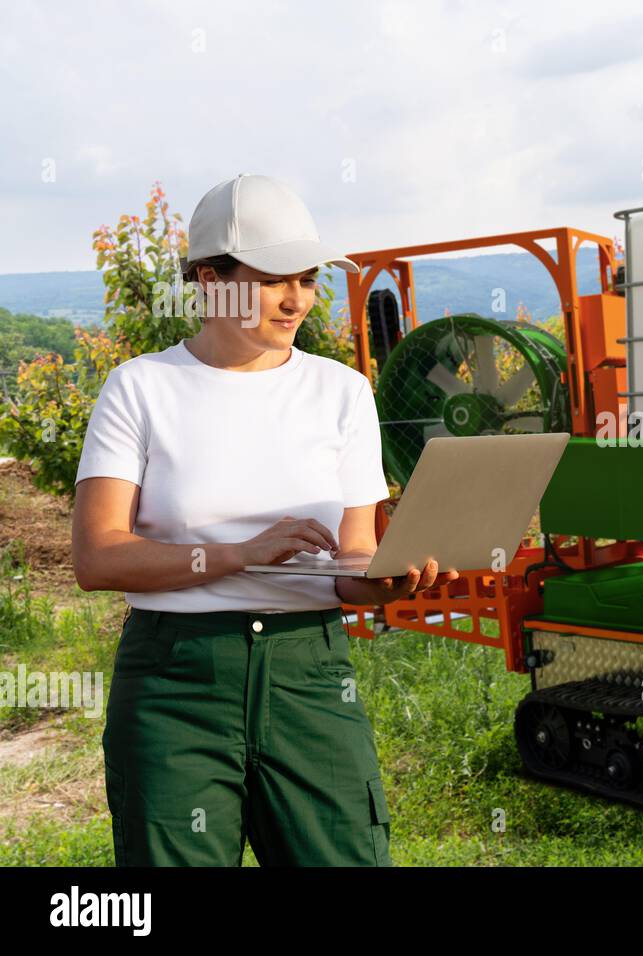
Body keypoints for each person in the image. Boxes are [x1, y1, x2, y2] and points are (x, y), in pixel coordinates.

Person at [71, 173, 457, 866]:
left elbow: (352, 567)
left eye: (307, 279)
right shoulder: (141, 388)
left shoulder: (340, 392)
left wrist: (390, 583)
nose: (297, 299)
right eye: (275, 278)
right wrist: (238, 554)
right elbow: (97, 558)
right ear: (210, 279)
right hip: (174, 677)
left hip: (311, 675)